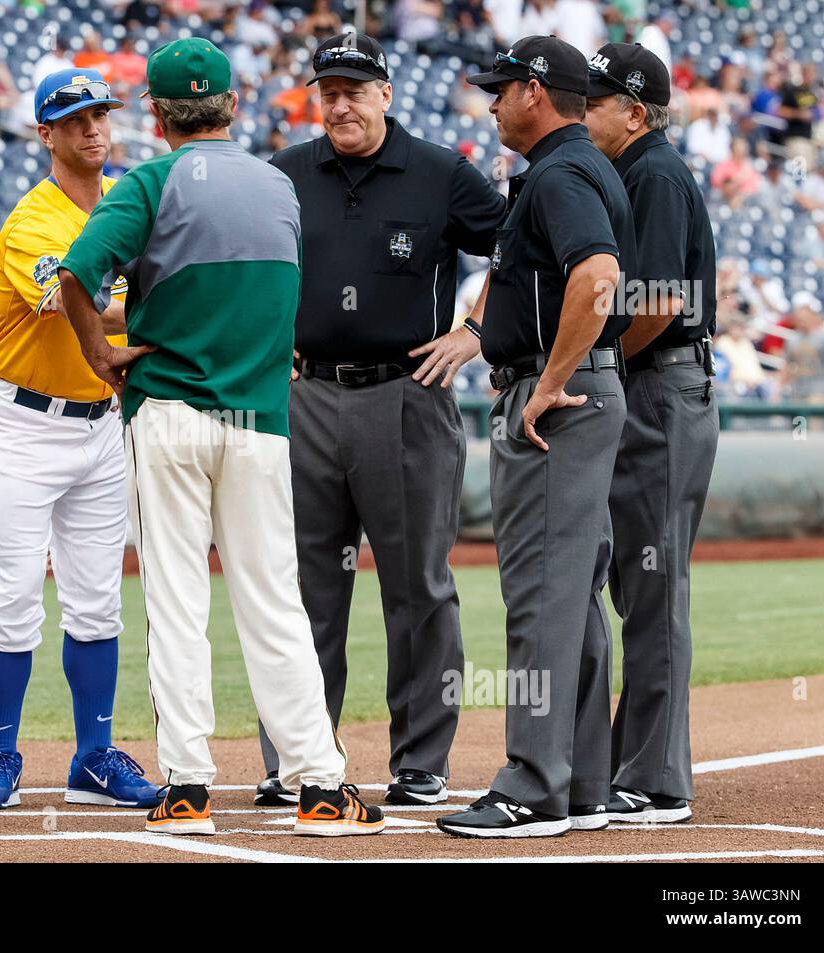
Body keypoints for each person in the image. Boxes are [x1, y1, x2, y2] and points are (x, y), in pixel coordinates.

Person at [59, 38, 385, 837]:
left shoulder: (146, 180)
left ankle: (189, 789)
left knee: (176, 604)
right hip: (260, 420)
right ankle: (318, 783)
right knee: (275, 603)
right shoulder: (278, 185)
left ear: (160, 115)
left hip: (167, 414)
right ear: (233, 106)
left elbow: (74, 273)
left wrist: (101, 355)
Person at [250, 32, 505, 809]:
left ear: (386, 94)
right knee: (300, 589)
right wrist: (268, 345)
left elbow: (524, 247)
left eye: (356, 89)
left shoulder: (439, 173)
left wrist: (476, 331)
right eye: (329, 89)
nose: (340, 102)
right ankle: (300, 755)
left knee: (417, 586)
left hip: (407, 394)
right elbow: (243, 265)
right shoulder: (284, 173)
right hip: (306, 397)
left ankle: (421, 761)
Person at [438, 35, 637, 838]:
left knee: (543, 598)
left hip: (559, 400)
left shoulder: (560, 171)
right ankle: (582, 779)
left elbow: (597, 276)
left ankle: (532, 785)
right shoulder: (577, 167)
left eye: (501, 87)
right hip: (584, 393)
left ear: (535, 91)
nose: (491, 102)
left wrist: (552, 380)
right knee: (572, 597)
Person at [0, 69, 161, 812]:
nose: (92, 128)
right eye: (73, 117)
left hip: (99, 424)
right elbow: (83, 304)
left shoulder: (126, 202)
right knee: (12, 602)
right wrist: (159, 310)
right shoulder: (33, 221)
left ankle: (94, 756)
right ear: (45, 133)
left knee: (98, 605)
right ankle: (2, 753)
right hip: (22, 425)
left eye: (100, 112)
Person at [585, 42, 719, 825]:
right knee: (635, 579)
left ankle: (658, 778)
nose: (584, 109)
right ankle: (632, 761)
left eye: (596, 99)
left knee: (654, 584)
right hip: (648, 384)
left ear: (636, 111)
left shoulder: (656, 173)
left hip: (660, 385)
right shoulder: (632, 170)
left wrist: (593, 363)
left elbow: (661, 302)